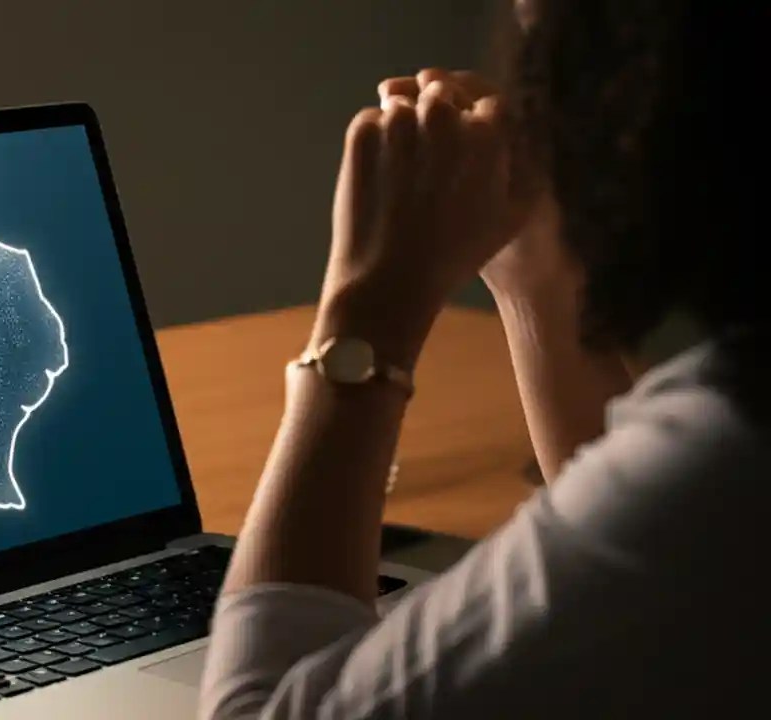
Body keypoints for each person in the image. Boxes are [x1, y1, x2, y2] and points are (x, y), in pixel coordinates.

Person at [199, 1, 765, 717]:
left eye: (551, 38)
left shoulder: (730, 458)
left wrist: (370, 308)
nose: (539, 93)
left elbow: (260, 708)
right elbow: (637, 567)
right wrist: (535, 276)